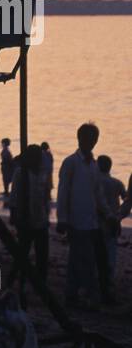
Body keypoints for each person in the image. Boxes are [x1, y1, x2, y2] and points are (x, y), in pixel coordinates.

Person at [57, 122, 111, 308]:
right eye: (88, 138)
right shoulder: (71, 163)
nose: (91, 142)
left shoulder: (93, 165)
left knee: (79, 258)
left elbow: (98, 193)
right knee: (84, 259)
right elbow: (63, 192)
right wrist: (62, 219)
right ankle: (88, 296)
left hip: (91, 221)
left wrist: (108, 213)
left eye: (93, 139)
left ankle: (72, 294)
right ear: (80, 139)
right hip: (76, 220)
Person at [8, 144, 51, 304]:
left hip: (40, 219)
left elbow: (45, 195)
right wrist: (13, 215)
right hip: (25, 220)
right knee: (21, 254)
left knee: (42, 256)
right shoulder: (21, 173)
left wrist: (47, 214)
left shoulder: (43, 173)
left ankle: (41, 286)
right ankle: (12, 281)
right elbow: (14, 195)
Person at [96, 154, 125, 294]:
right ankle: (109, 280)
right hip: (113, 220)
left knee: (96, 252)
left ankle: (98, 280)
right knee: (111, 252)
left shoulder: (95, 182)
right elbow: (126, 198)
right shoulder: (117, 183)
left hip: (97, 221)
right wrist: (119, 216)